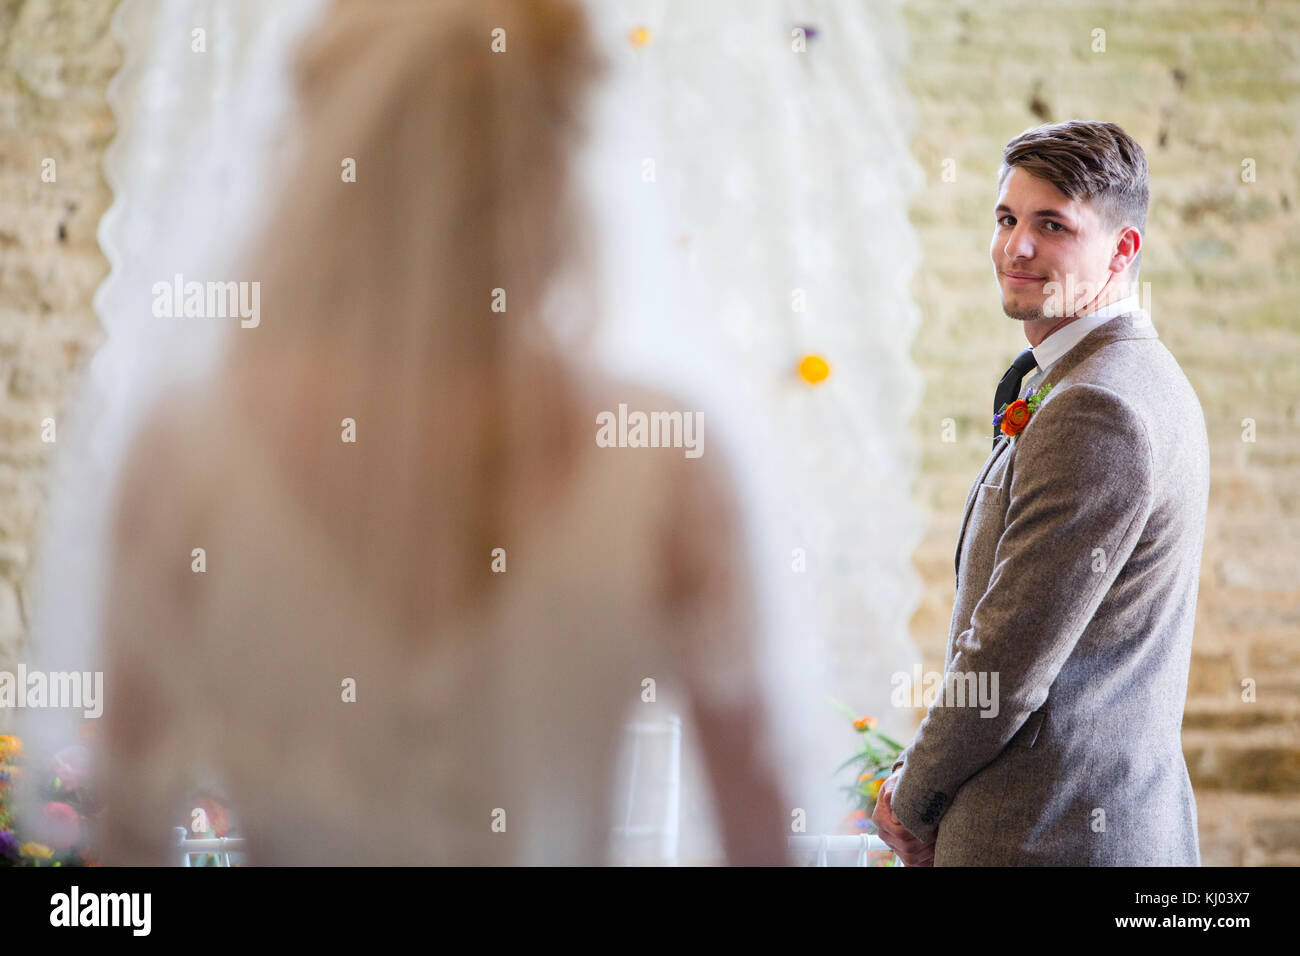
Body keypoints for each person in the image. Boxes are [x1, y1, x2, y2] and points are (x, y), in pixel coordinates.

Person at [95, 0, 790, 865]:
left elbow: (121, 849)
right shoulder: (661, 454)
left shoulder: (186, 450)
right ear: (554, 164)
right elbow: (761, 834)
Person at [874, 121, 1208, 866]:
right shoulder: (1117, 377)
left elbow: (1008, 652)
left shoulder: (1101, 407)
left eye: (1051, 225)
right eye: (1006, 218)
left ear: (1123, 251)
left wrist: (913, 798)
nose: (1015, 247)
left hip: (1048, 834)